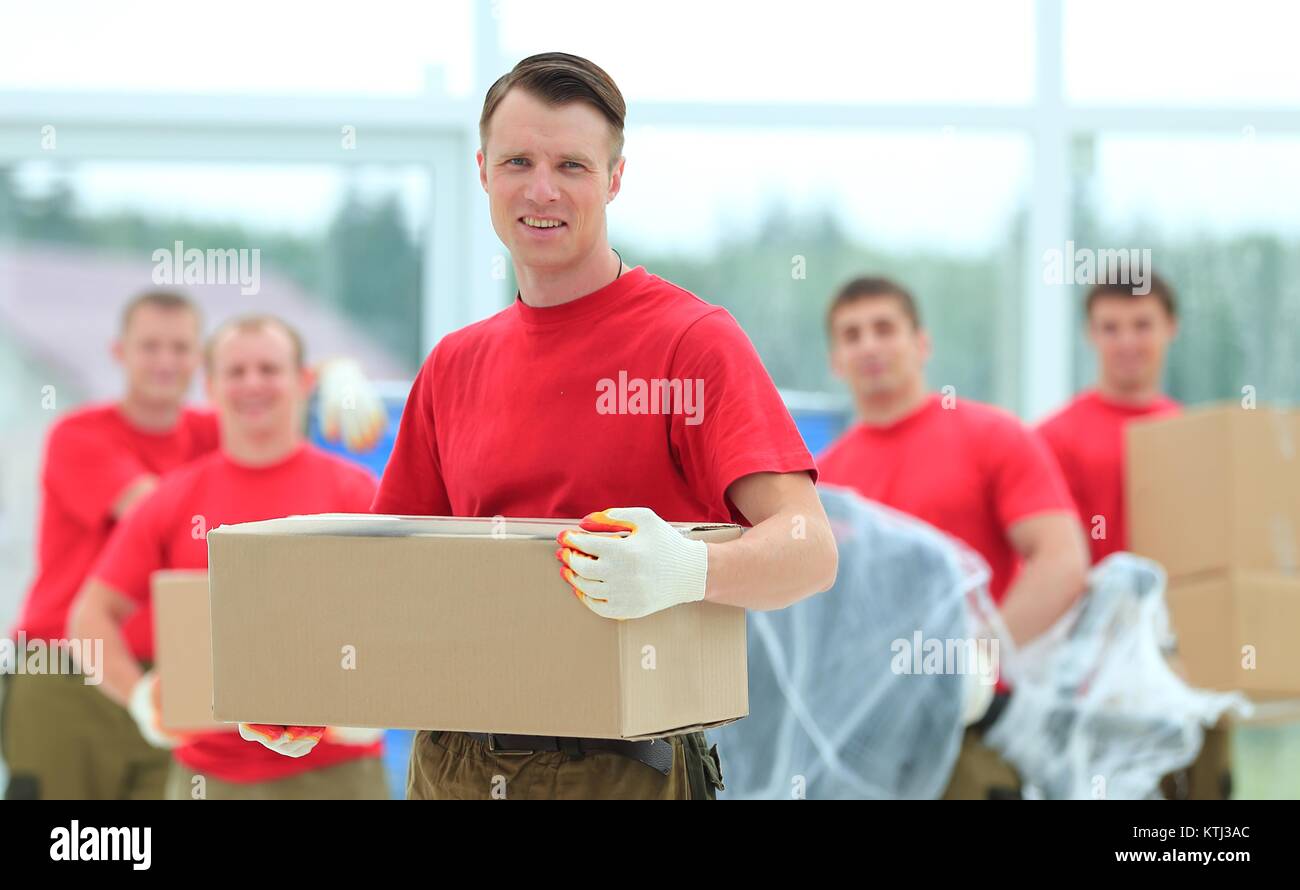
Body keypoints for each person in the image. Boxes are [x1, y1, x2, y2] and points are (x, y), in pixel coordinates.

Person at [244, 52, 839, 800]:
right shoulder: (456, 365)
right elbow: (391, 579)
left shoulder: (691, 343)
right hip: (453, 762)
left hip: (618, 767)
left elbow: (809, 549)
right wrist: (315, 683)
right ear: (483, 171)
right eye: (518, 160)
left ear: (615, 178)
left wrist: (689, 570)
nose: (542, 189)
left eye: (572, 165)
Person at [68, 315, 388, 800]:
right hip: (206, 779)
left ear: (303, 381)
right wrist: (139, 697)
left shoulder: (356, 491)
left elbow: (405, 611)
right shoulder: (174, 498)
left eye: (269, 368)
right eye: (236, 372)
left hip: (339, 776)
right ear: (211, 387)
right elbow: (89, 617)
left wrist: (373, 706)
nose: (253, 383)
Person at [817, 275, 1089, 800]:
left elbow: (1062, 559)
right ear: (835, 360)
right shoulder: (823, 483)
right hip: (865, 743)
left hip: (971, 728)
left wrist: (977, 656)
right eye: (851, 335)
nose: (868, 345)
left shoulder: (993, 437)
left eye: (883, 328)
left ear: (922, 344)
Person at [1037, 275, 1231, 800]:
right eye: (1111, 327)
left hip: (1188, 660)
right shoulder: (1053, 438)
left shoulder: (1196, 437)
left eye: (1142, 325)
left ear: (1171, 328)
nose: (1127, 341)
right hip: (1093, 668)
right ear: (1090, 335)